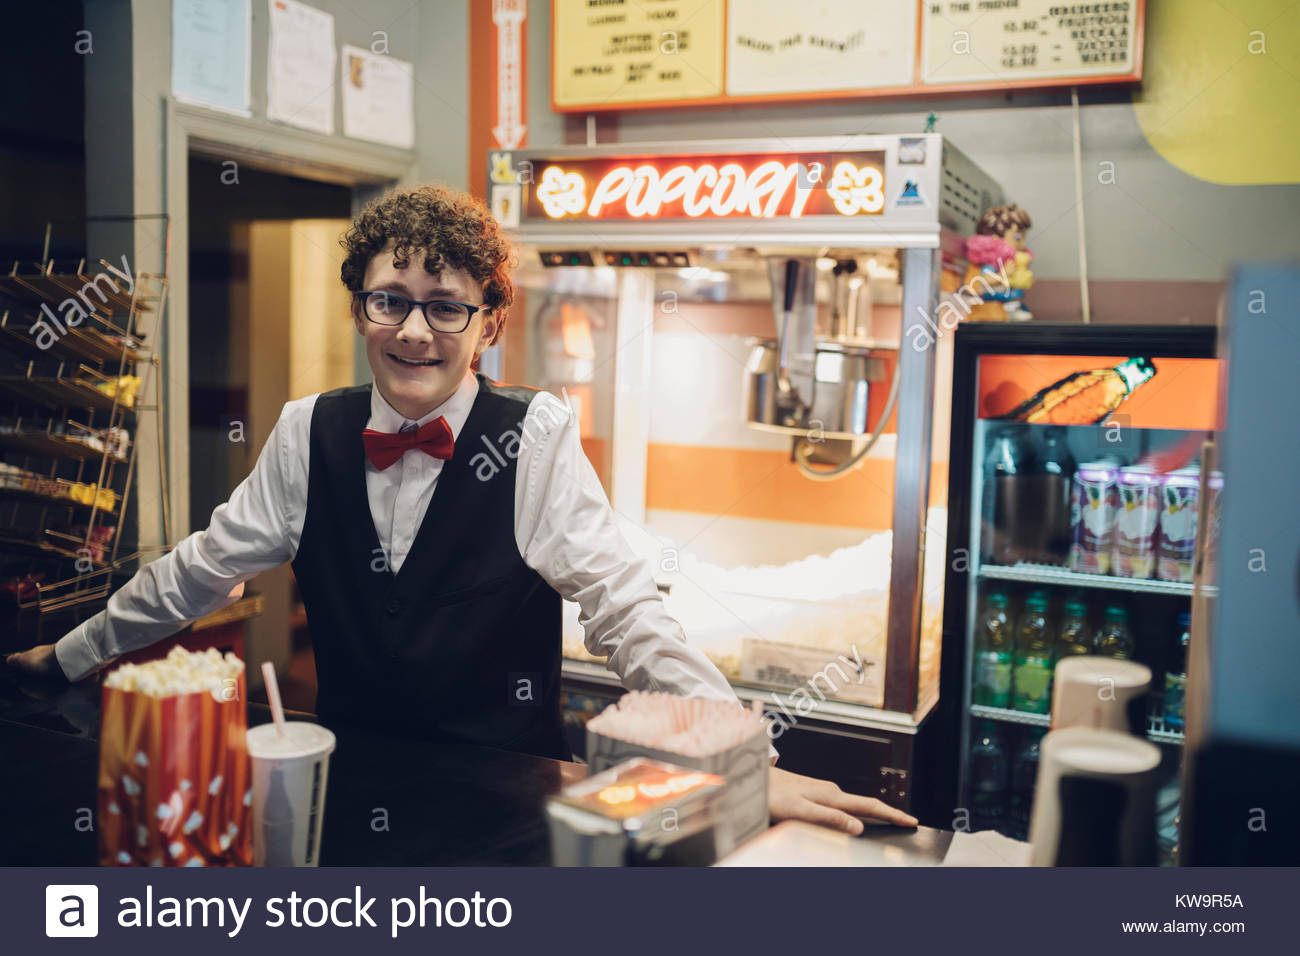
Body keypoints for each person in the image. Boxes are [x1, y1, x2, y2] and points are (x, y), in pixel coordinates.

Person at [5, 184, 916, 836]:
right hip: (345, 791)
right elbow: (200, 570)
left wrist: (747, 762)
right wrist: (69, 653)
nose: (412, 332)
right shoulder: (305, 431)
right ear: (359, 307)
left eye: (446, 309)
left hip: (507, 799)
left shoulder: (536, 433)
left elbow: (628, 612)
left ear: (490, 325)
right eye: (389, 300)